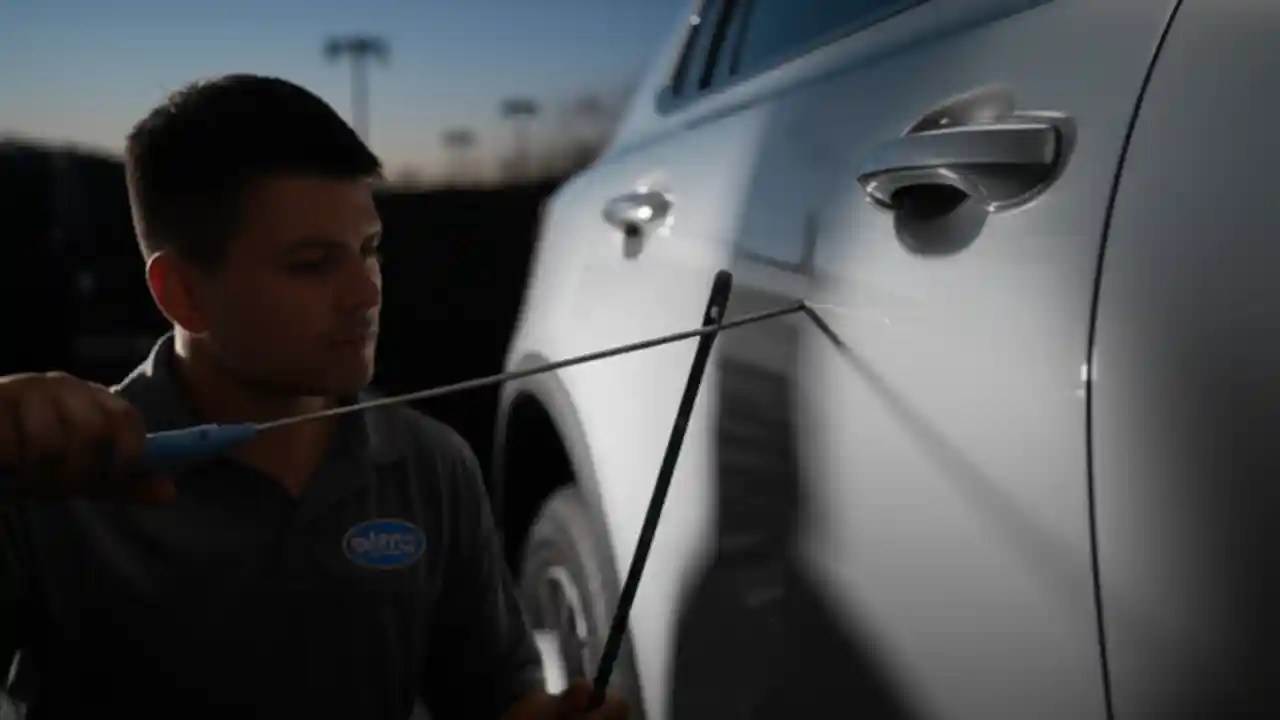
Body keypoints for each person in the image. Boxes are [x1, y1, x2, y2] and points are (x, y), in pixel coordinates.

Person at [0, 74, 628, 720]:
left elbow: (495, 701)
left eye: (369, 250)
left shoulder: (432, 467)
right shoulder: (56, 479)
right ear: (182, 293)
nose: (367, 294)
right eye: (311, 264)